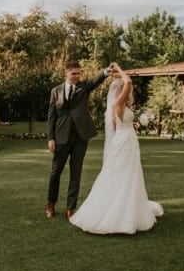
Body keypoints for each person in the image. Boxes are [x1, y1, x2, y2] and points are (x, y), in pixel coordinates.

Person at [69, 64, 163, 234]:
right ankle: (118, 214)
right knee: (125, 174)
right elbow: (127, 82)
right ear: (120, 90)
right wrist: (119, 69)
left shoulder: (119, 106)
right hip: (125, 143)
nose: (130, 89)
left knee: (127, 174)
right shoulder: (119, 102)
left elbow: (117, 125)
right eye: (128, 89)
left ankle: (128, 208)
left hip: (125, 140)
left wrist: (132, 123)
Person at [46, 60, 113, 220]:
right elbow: (51, 117)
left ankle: (71, 208)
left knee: (76, 173)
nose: (76, 76)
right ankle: (50, 204)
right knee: (55, 172)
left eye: (78, 73)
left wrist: (106, 71)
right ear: (66, 73)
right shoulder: (55, 91)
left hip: (80, 137)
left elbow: (95, 81)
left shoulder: (83, 88)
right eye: (73, 73)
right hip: (61, 138)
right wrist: (50, 138)